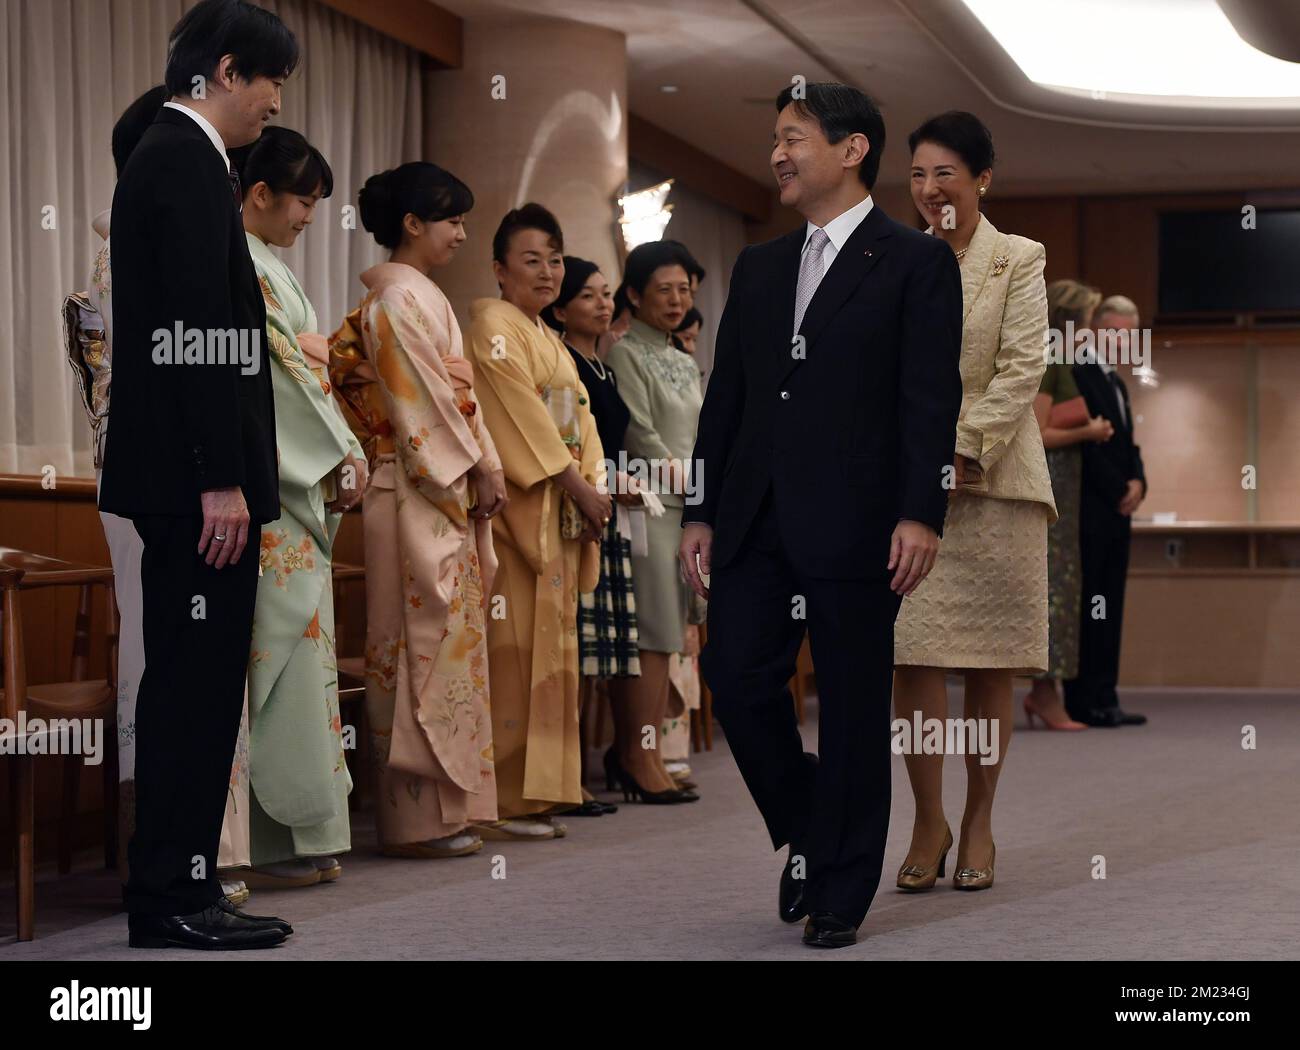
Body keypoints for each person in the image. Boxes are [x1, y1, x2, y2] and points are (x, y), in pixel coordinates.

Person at [680, 82, 963, 948]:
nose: (777, 154)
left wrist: (922, 512)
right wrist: (700, 508)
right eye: (774, 138)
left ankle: (843, 887)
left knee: (848, 706)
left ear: (852, 150)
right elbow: (725, 399)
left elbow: (927, 400)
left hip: (860, 522)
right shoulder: (761, 267)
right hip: (754, 514)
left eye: (793, 137)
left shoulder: (915, 262)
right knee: (736, 676)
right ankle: (813, 819)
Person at [98, 0, 298, 950]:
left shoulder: (177, 157)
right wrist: (221, 476)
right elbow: (194, 331)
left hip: (185, 476)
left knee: (198, 683)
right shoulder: (181, 157)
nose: (273, 102)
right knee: (191, 687)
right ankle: (172, 895)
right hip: (193, 482)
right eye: (271, 82)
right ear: (225, 71)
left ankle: (181, 885)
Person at [892, 111, 1057, 895]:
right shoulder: (889, 260)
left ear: (983, 178)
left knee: (992, 664)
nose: (929, 190)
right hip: (908, 488)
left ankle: (981, 816)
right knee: (912, 654)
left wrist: (958, 450)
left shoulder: (1017, 259)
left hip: (995, 483)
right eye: (918, 175)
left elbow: (1022, 367)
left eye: (945, 174)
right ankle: (929, 818)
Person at [330, 162, 506, 857]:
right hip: (408, 487)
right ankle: (412, 820)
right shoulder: (397, 305)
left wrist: (482, 466)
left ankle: (448, 809)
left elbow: (453, 400)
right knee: (411, 644)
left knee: (445, 645)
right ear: (411, 222)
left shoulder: (417, 299)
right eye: (452, 219)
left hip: (436, 488)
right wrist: (482, 465)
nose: (462, 234)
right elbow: (420, 411)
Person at [213, 127, 364, 889]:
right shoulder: (240, 260)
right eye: (303, 199)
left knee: (297, 658)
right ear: (261, 194)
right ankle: (267, 838)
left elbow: (300, 362)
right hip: (271, 477)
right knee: (275, 651)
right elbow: (275, 365)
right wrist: (336, 446)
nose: (310, 215)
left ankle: (289, 835)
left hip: (292, 471)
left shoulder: (269, 266)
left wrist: (333, 422)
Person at [465, 204, 607, 839]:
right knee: (515, 649)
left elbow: (585, 422)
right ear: (499, 269)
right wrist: (578, 484)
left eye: (554, 259)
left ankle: (547, 787)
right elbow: (517, 416)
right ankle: (508, 799)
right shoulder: (492, 323)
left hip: (562, 509)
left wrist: (595, 486)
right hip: (526, 511)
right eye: (532, 260)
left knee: (552, 653)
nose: (548, 271)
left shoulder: (545, 334)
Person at [61, 83, 169, 887]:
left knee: (162, 646)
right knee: (153, 649)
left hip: (149, 468)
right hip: (150, 471)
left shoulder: (141, 239)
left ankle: (181, 847)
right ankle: (159, 849)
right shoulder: (131, 245)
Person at [542, 257, 641, 817]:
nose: (604, 305)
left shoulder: (599, 365)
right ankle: (569, 773)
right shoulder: (566, 365)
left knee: (600, 650)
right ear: (560, 309)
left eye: (607, 295)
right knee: (578, 649)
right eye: (588, 297)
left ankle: (584, 768)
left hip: (608, 504)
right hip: (577, 505)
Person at [607, 242, 703, 804]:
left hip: (687, 504)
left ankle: (646, 753)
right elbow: (641, 436)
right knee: (651, 634)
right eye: (663, 289)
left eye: (684, 289)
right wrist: (695, 481)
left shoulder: (684, 358)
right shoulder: (626, 354)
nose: (675, 299)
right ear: (635, 295)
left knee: (671, 636)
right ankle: (636, 754)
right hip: (652, 507)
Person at [1027, 280, 1114, 731]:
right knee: (1056, 593)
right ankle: (1044, 692)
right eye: (1086, 322)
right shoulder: (1047, 356)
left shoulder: (1059, 357)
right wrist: (1089, 432)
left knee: (1064, 590)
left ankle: (1048, 692)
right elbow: (1039, 434)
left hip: (1066, 491)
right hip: (1052, 491)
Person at [1066, 295, 1149, 727]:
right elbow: (1086, 446)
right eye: (1116, 332)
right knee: (1091, 604)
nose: (1123, 341)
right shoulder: (1079, 372)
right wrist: (1119, 487)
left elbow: (1126, 444)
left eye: (1129, 335)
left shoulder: (1116, 382)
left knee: (1111, 603)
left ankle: (1107, 693)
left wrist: (1139, 483)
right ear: (1096, 327)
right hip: (1091, 509)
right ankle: (1083, 699)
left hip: (1119, 510)